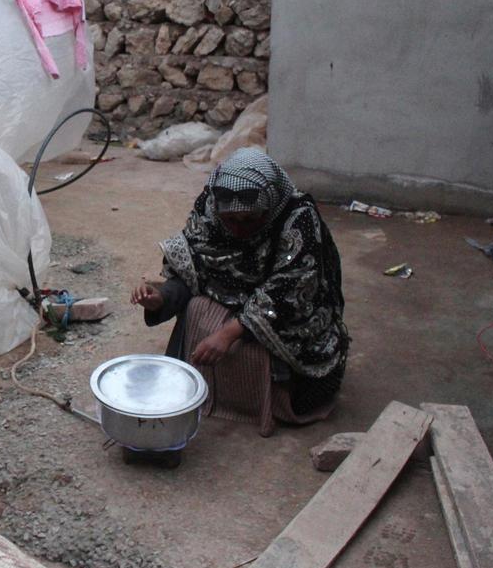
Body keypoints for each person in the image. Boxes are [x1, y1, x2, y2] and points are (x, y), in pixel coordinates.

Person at [131, 149, 349, 437]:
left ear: (269, 206)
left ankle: (258, 398)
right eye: (230, 220)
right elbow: (193, 271)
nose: (238, 229)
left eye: (249, 220)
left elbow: (291, 292)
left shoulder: (298, 220)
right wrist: (160, 299)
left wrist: (230, 333)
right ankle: (205, 390)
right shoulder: (209, 214)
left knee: (306, 391)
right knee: (196, 308)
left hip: (289, 316)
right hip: (235, 302)